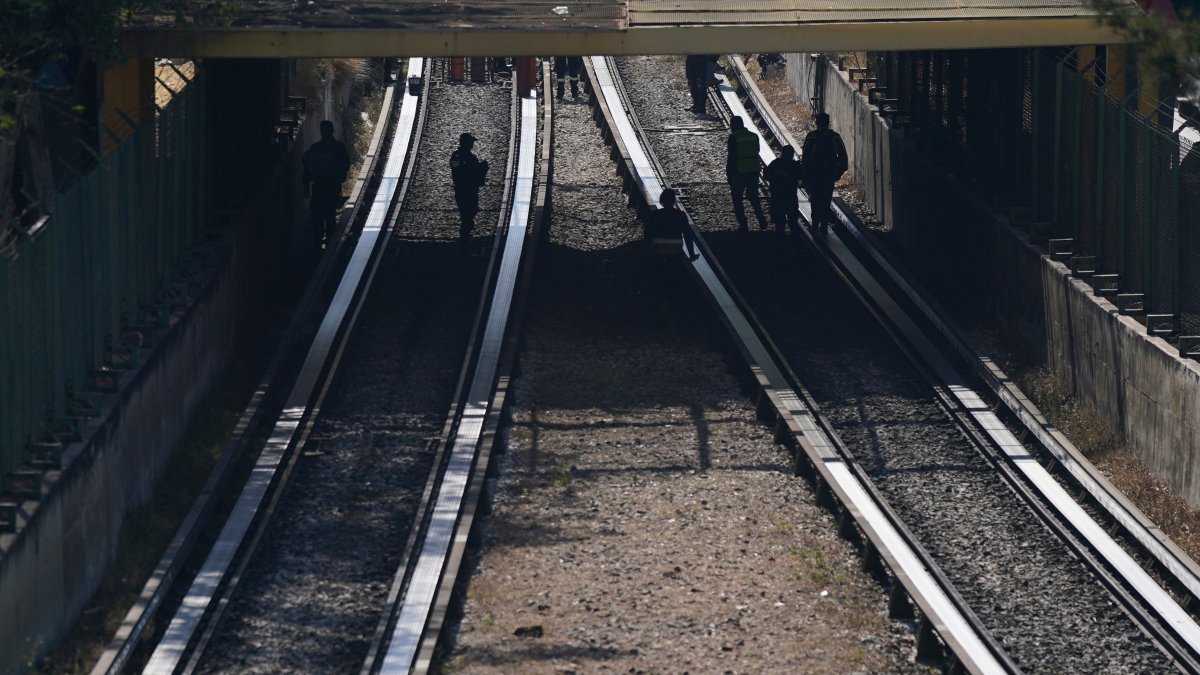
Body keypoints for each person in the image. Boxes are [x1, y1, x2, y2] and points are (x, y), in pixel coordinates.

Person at [302, 120, 351, 250]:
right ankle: (324, 245)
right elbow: (306, 167)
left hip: (326, 188)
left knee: (326, 217)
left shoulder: (318, 149)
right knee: (325, 217)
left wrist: (307, 186)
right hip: (325, 188)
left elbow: (306, 166)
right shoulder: (336, 148)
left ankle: (323, 245)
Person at [800, 112, 848, 233]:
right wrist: (839, 172)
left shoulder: (811, 136)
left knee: (815, 198)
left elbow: (805, 156)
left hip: (814, 174)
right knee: (826, 198)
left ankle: (815, 223)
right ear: (828, 123)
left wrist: (805, 174)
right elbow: (843, 156)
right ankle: (824, 224)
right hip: (829, 174)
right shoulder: (834, 136)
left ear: (816, 123)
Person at [726, 116, 768, 231]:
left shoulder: (733, 137)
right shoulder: (753, 136)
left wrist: (729, 174)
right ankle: (761, 220)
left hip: (739, 171)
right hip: (753, 171)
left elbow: (732, 157)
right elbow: (757, 150)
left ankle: (743, 225)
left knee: (737, 199)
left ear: (733, 125)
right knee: (754, 197)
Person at [450, 132, 489, 250]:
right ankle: (464, 240)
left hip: (466, 190)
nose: (472, 144)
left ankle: (465, 238)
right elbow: (458, 170)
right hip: (466, 190)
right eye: (471, 142)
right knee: (468, 214)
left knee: (469, 213)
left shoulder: (461, 156)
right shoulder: (460, 157)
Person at [645, 188, 699, 260]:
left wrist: (648, 250)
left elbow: (648, 232)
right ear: (674, 200)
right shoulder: (681, 215)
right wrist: (691, 254)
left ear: (662, 200)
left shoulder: (656, 214)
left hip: (659, 245)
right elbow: (687, 235)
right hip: (676, 246)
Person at [764, 145, 802, 235]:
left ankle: (782, 239)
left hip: (778, 196)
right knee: (791, 220)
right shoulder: (795, 165)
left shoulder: (776, 163)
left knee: (781, 221)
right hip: (789, 196)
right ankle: (793, 239)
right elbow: (801, 179)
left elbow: (766, 175)